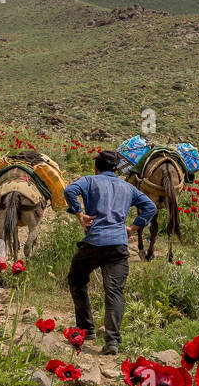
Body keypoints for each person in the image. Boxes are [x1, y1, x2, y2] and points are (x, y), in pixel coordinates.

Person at [64, 149, 157, 355]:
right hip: (118, 245)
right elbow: (150, 207)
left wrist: (79, 214)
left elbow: (69, 191)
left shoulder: (89, 180)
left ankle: (86, 329)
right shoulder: (128, 187)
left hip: (94, 242)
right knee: (114, 291)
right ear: (116, 168)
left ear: (96, 166)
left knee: (77, 278)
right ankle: (112, 342)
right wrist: (133, 227)